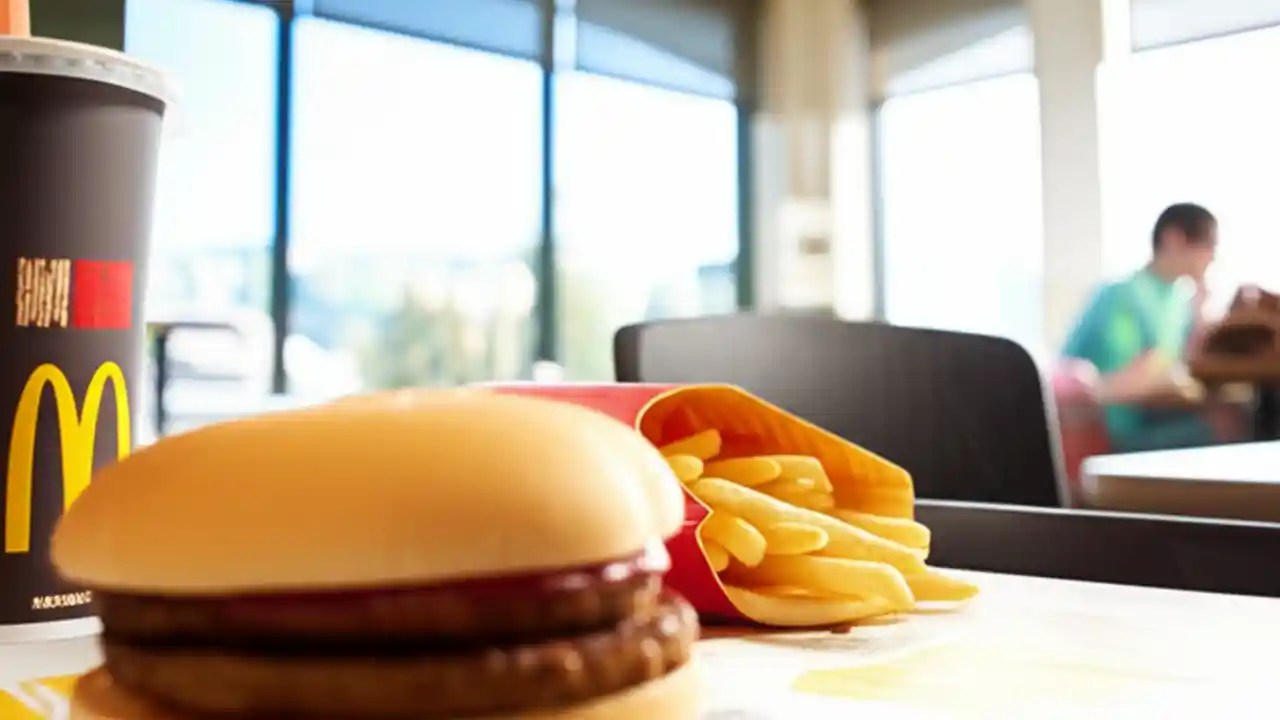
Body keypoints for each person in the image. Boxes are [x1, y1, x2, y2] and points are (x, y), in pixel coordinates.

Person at [1062, 203, 1233, 452]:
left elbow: (1188, 364)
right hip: (1118, 429)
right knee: (1227, 424)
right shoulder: (1121, 297)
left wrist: (1201, 309)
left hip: (1156, 414)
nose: (1212, 258)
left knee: (1231, 414)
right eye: (1208, 245)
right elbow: (1118, 381)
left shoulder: (1180, 302)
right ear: (1173, 239)